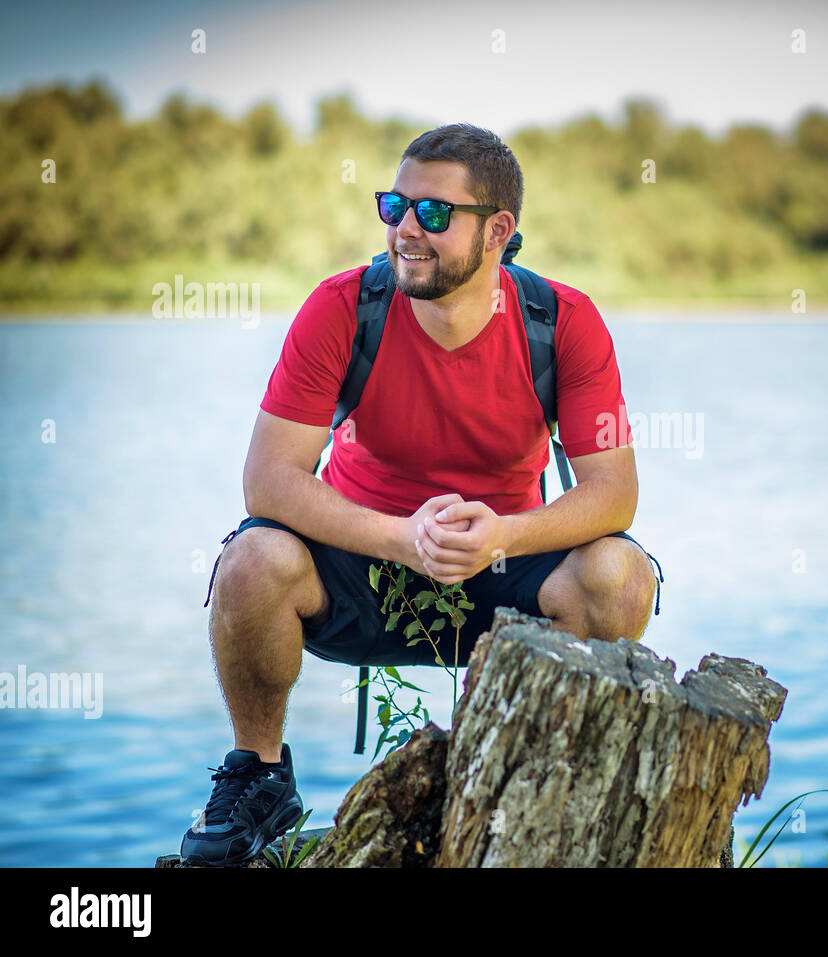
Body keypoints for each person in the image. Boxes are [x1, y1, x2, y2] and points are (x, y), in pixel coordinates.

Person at [180, 123, 663, 866]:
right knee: (251, 557)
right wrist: (403, 535)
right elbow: (268, 478)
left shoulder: (562, 322)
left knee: (621, 573)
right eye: (394, 205)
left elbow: (613, 494)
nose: (406, 228)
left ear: (498, 229)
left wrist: (502, 533)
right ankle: (259, 773)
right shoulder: (344, 307)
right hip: (361, 563)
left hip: (503, 574)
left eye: (433, 213)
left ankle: (539, 772)